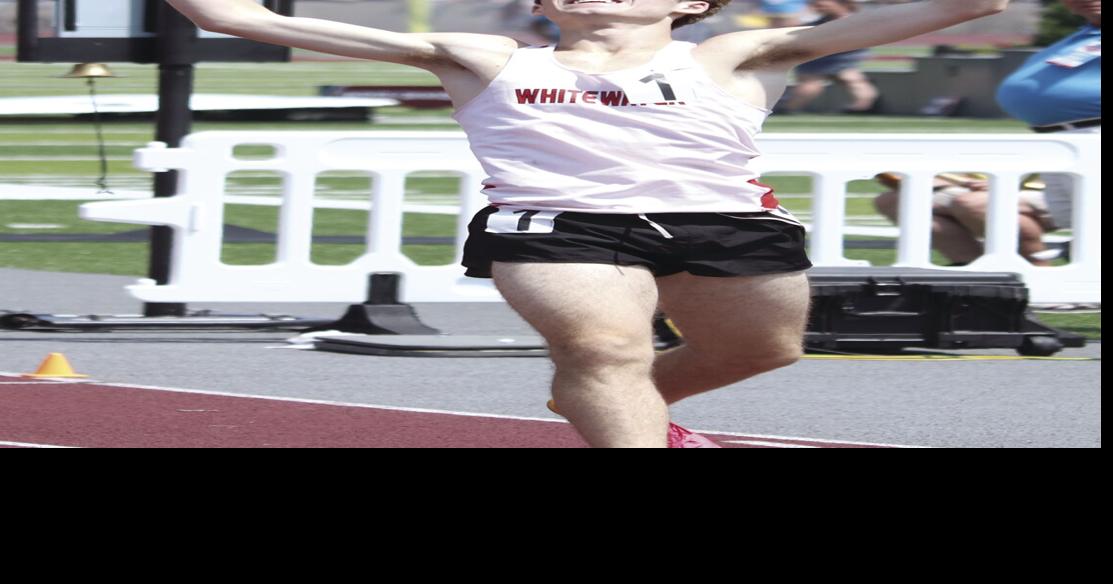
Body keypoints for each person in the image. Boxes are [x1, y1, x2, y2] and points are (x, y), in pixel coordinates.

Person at [166, 0, 1011, 448]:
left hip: (721, 223)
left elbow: (966, 3)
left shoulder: (735, 54)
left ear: (687, 1)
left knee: (762, 350)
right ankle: (612, 401)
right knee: (606, 350)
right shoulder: (487, 57)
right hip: (556, 224)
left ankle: (611, 402)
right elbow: (242, 17)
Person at [873, 173, 1057, 266]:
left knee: (975, 203)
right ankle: (975, 274)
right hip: (972, 185)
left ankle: (1040, 274)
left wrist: (1009, 178)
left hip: (1050, 190)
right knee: (895, 201)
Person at [777, 0, 881, 114]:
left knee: (814, 82)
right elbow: (791, 28)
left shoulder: (849, 19)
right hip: (826, 54)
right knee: (850, 79)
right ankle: (865, 105)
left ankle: (787, 109)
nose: (818, 6)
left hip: (835, 54)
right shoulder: (822, 19)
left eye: (823, 3)